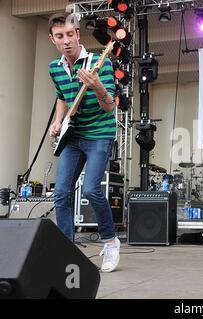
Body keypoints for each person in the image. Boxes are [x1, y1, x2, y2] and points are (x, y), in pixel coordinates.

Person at [48, 12, 120, 272]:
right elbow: (61, 96)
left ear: (78, 34)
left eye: (70, 34)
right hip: (73, 135)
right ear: (53, 39)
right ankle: (68, 248)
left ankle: (111, 241)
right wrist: (58, 122)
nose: (66, 41)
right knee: (61, 193)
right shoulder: (54, 68)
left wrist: (98, 86)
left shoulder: (98, 63)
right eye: (60, 36)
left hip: (100, 133)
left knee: (91, 189)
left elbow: (109, 107)